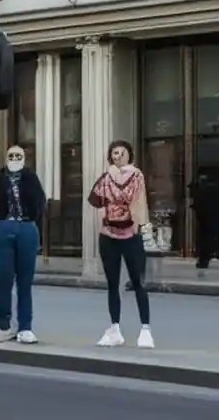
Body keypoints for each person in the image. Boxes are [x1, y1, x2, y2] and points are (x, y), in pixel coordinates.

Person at [87, 140, 153, 348]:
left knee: (138, 282)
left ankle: (145, 329)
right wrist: (104, 217)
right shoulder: (106, 178)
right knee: (112, 284)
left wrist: (143, 228)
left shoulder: (137, 176)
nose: (117, 156)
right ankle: (114, 328)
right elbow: (95, 200)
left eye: (121, 152)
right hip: (108, 236)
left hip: (131, 235)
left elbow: (141, 202)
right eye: (114, 153)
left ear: (129, 154)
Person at [0, 146, 46, 344]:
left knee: (25, 280)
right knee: (4, 277)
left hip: (26, 227)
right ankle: (4, 322)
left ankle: (25, 326)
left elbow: (40, 203)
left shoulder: (31, 179)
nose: (15, 159)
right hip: (5, 226)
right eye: (11, 156)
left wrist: (33, 221)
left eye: (18, 156)